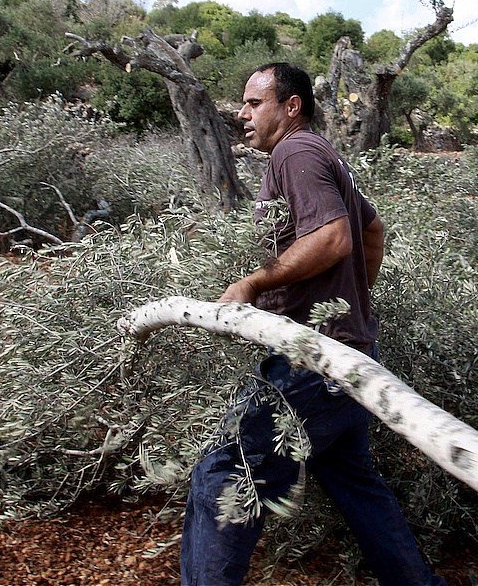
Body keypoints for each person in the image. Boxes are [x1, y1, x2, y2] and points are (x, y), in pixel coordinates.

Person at [180, 63, 446, 586]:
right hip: (347, 356)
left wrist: (256, 283)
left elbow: (333, 238)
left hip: (308, 360)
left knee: (226, 471)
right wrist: (350, 306)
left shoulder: (294, 152)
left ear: (291, 105)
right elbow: (372, 232)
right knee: (356, 485)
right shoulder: (323, 153)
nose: (242, 113)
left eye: (254, 103)